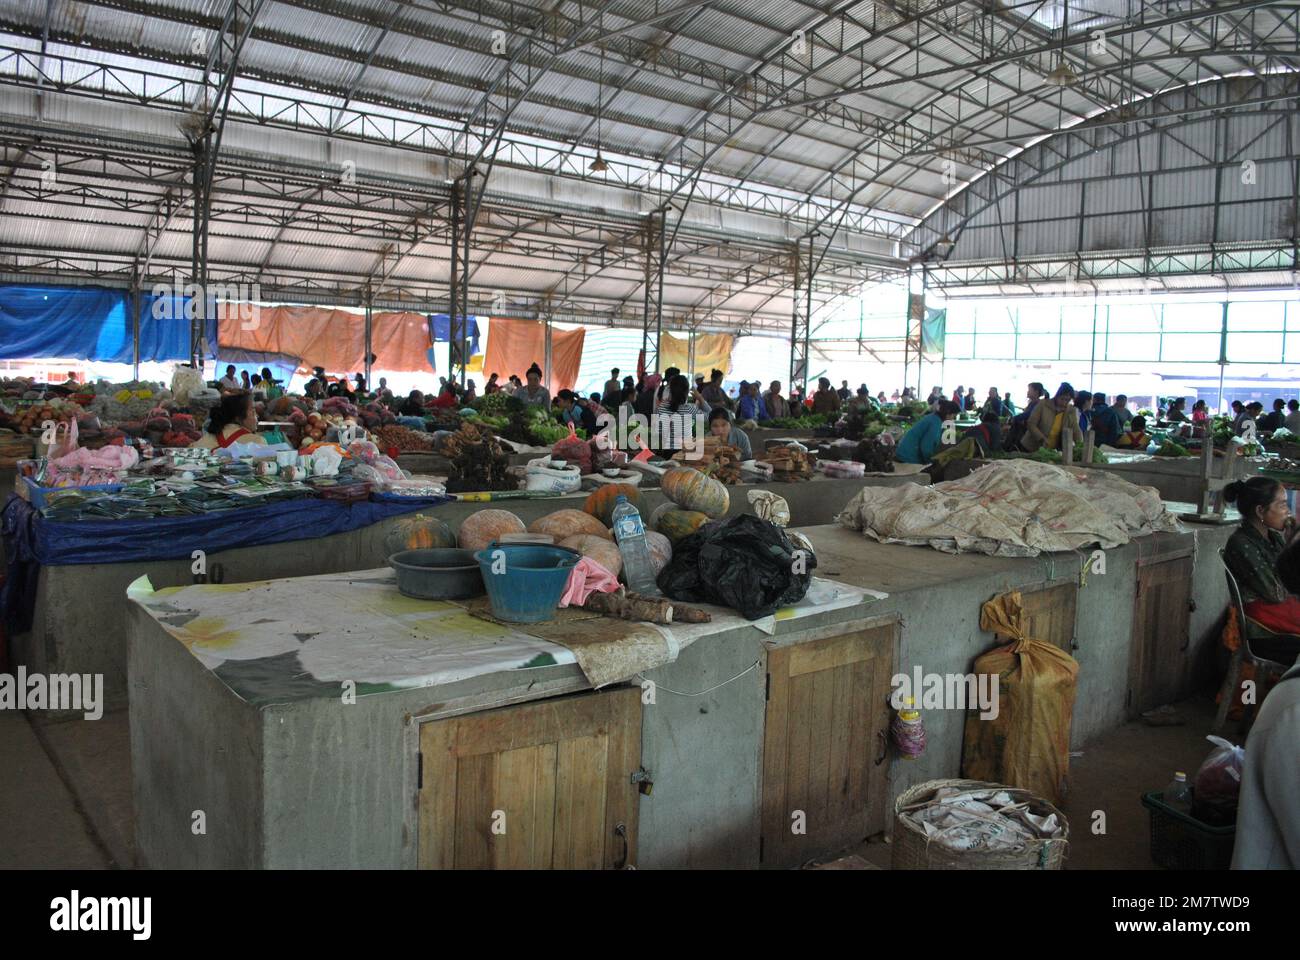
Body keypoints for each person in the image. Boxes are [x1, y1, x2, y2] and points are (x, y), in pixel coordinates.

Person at [1222, 477, 1300, 665]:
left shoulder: (1273, 537)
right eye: (1281, 505)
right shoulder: (1241, 544)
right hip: (1263, 632)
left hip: (1280, 618)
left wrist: (1291, 544)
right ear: (1260, 511)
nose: (1288, 511)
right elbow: (1276, 594)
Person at [191, 391, 266, 450]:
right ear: (238, 418)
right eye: (253, 412)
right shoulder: (257, 442)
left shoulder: (204, 440)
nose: (257, 416)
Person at [896, 400, 961, 464]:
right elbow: (926, 448)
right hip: (908, 457)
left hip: (904, 453)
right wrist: (930, 462)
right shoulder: (935, 423)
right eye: (954, 415)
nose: (953, 419)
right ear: (948, 412)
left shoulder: (933, 417)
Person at [1023, 382, 1081, 453]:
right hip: (1032, 447)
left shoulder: (1071, 411)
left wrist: (1080, 446)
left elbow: (1076, 430)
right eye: (1062, 399)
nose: (1064, 403)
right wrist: (1042, 438)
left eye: (1067, 400)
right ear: (1057, 396)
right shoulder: (1043, 404)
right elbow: (1031, 424)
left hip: (1053, 450)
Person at [655, 374, 707, 452]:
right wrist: (700, 397)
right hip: (685, 452)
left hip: (665, 452)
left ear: (670, 390)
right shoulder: (688, 409)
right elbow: (710, 416)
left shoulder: (661, 407)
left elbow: (658, 432)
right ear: (686, 392)